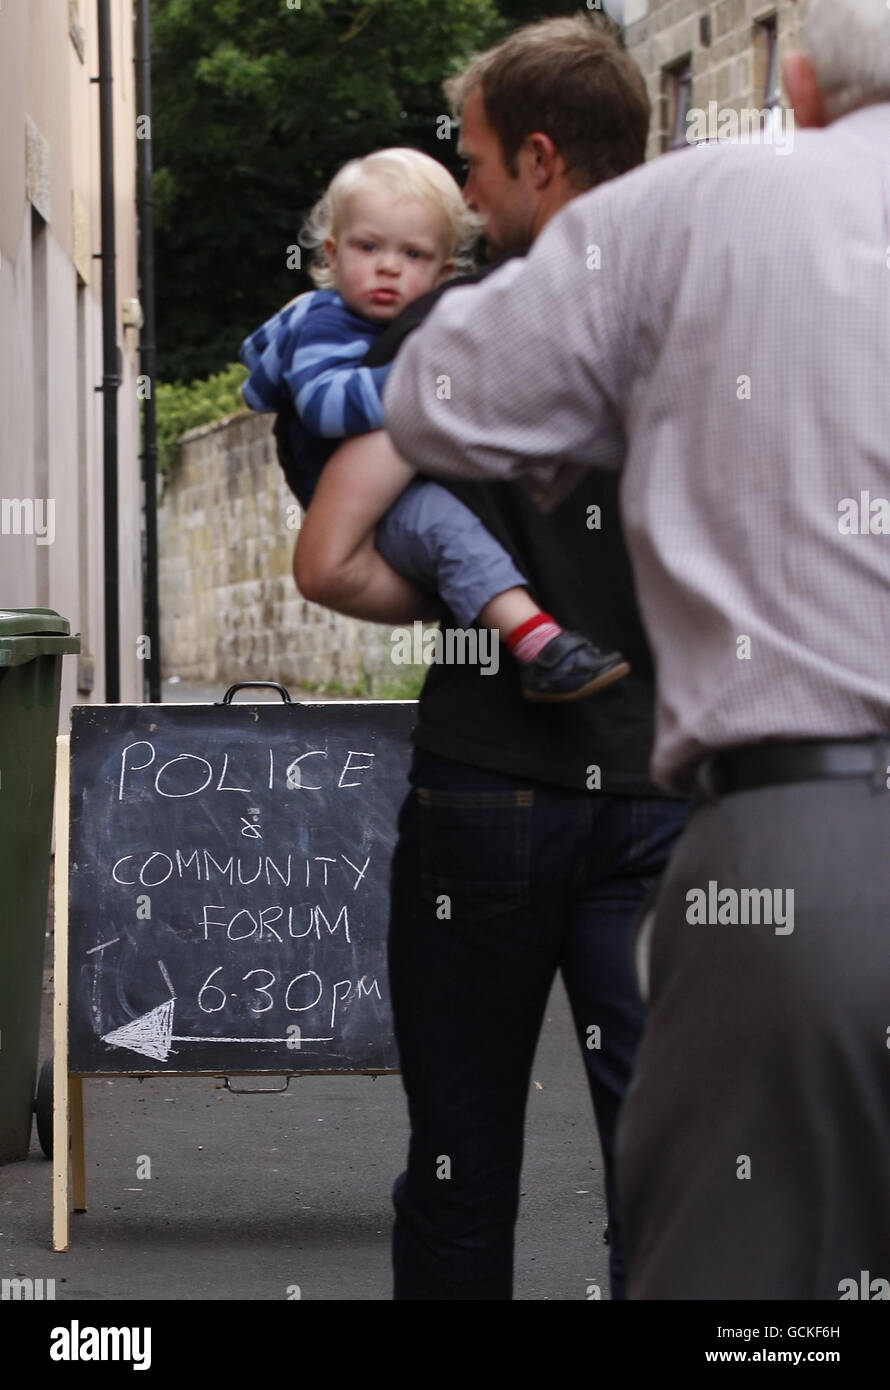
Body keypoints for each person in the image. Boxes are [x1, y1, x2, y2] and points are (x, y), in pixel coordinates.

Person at [375, 0, 890, 1300]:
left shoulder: (684, 219)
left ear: (798, 81)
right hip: (667, 810)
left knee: (744, 1267)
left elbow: (432, 401)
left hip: (797, 821)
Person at [295, 16, 689, 1300]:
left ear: (537, 157)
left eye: (469, 165)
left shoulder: (446, 330)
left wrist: (487, 613)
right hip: (664, 795)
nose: (459, 194)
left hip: (487, 792)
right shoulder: (710, 308)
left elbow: (329, 561)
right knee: (662, 1160)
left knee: (461, 1156)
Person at [240, 148, 627, 702]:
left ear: (445, 273)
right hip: (371, 506)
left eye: (413, 254)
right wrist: (425, 379)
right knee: (452, 532)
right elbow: (325, 403)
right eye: (367, 247)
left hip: (390, 499)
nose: (388, 267)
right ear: (332, 251)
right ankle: (542, 647)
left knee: (461, 539)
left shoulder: (407, 324)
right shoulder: (326, 323)